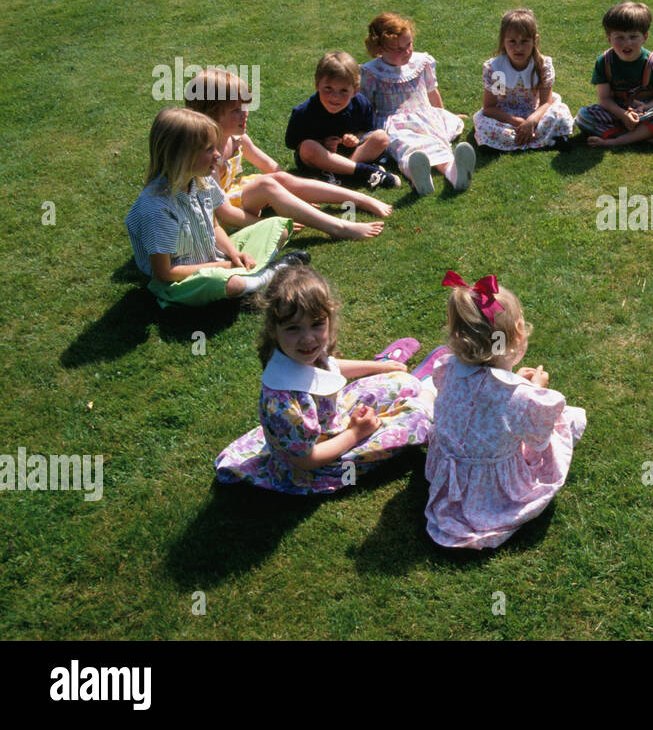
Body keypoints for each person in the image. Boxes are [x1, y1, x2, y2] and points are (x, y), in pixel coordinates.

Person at [214, 266, 435, 494]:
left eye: (317, 324)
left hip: (331, 422)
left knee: (401, 381)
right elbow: (307, 461)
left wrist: (380, 368)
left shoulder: (297, 352)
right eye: (293, 328)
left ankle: (412, 384)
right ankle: (429, 393)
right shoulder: (283, 404)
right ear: (273, 328)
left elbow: (332, 367)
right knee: (414, 419)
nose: (308, 338)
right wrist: (356, 433)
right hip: (317, 467)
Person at [420, 271, 586, 548]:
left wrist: (518, 381)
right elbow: (538, 438)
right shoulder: (522, 398)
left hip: (449, 474)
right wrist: (535, 388)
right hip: (490, 486)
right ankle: (493, 504)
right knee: (564, 420)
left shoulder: (446, 369)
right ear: (519, 334)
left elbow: (484, 393)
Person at [125, 108, 306, 307]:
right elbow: (164, 272)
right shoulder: (158, 208)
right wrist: (224, 266)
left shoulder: (202, 182)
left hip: (212, 256)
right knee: (232, 283)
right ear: (182, 155)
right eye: (209, 149)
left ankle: (250, 281)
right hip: (179, 281)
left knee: (278, 227)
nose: (218, 155)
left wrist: (234, 254)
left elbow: (215, 226)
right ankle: (273, 272)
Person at [183, 67, 388, 239]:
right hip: (216, 218)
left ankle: (360, 199)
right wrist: (268, 226)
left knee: (278, 177)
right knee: (266, 184)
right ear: (209, 115)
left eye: (245, 106)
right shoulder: (203, 157)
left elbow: (272, 167)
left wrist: (294, 196)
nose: (245, 113)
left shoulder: (236, 139)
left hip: (235, 196)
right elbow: (225, 214)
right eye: (235, 110)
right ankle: (340, 227)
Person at [360, 12, 476, 194]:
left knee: (438, 142)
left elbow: (432, 91)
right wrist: (365, 132)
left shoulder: (422, 62)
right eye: (399, 49)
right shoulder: (372, 72)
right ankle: (418, 178)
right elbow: (365, 105)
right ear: (380, 49)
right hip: (394, 122)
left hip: (425, 115)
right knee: (405, 147)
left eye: (409, 44)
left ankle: (455, 173)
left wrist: (442, 114)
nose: (407, 51)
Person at [284, 51, 401, 189]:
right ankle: (366, 171)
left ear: (355, 91)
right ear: (317, 85)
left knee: (381, 137)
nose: (335, 97)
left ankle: (338, 174)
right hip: (320, 158)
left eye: (343, 91)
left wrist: (355, 138)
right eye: (328, 88)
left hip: (352, 155)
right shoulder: (304, 111)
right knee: (307, 147)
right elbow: (292, 142)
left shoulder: (361, 104)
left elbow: (368, 130)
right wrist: (322, 143)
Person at [575, 1, 653, 147]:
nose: (626, 43)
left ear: (645, 37)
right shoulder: (604, 62)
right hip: (616, 113)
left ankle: (616, 140)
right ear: (609, 38)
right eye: (620, 37)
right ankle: (641, 136)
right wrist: (623, 115)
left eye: (633, 36)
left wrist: (645, 108)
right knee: (583, 116)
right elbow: (604, 98)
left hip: (645, 113)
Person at [472, 8, 575, 151]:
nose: (518, 48)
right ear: (503, 42)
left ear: (535, 40)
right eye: (512, 41)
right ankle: (545, 139)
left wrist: (531, 121)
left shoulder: (541, 65)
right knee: (483, 123)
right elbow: (489, 107)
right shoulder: (498, 69)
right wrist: (515, 121)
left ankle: (516, 140)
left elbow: (546, 102)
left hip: (535, 111)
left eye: (524, 41)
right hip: (506, 116)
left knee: (560, 114)